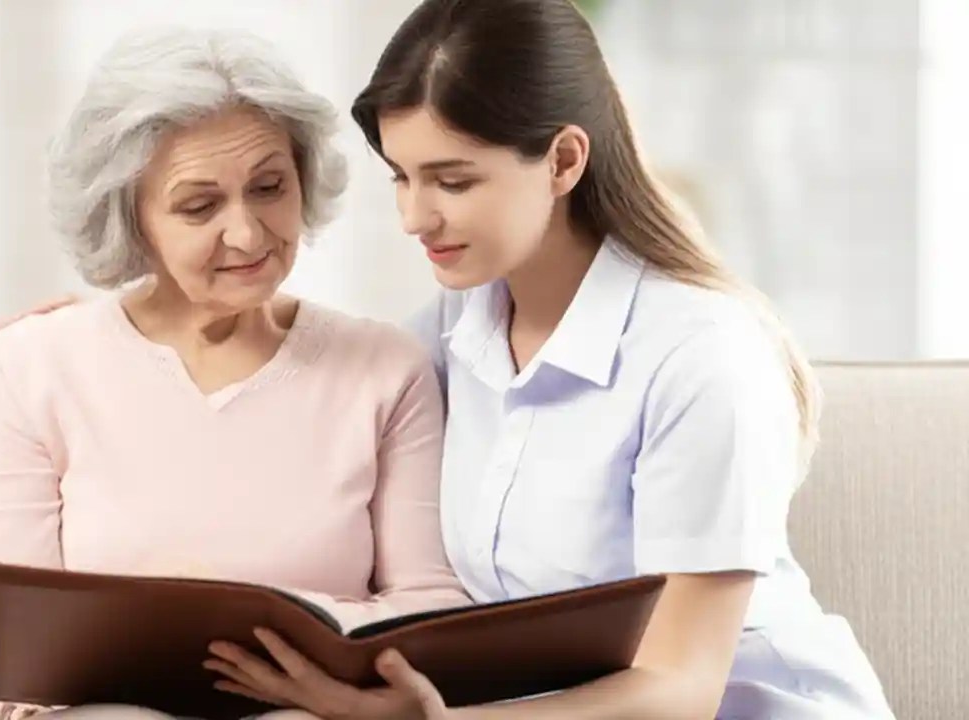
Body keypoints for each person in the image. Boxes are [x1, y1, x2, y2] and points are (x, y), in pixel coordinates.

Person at [194, 0, 897, 718]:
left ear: (563, 160)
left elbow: (679, 689)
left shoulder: (703, 358)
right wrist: (121, 327)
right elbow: (315, 372)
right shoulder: (461, 323)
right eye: (401, 177)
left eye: (453, 181)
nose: (414, 217)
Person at [0, 27, 470, 720]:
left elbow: (430, 608)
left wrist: (299, 663)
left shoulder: (384, 369)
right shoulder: (32, 364)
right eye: (198, 206)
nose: (248, 235)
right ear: (131, 216)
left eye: (270, 188)